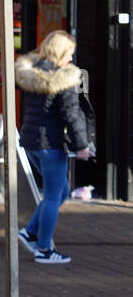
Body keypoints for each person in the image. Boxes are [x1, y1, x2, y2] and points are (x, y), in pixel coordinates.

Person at [16, 29, 94, 264]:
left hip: (31, 143)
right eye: (69, 53)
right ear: (60, 52)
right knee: (52, 196)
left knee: (60, 191)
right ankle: (43, 250)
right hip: (50, 145)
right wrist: (82, 146)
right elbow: (70, 115)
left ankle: (29, 232)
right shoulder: (65, 78)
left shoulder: (31, 74)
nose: (71, 58)